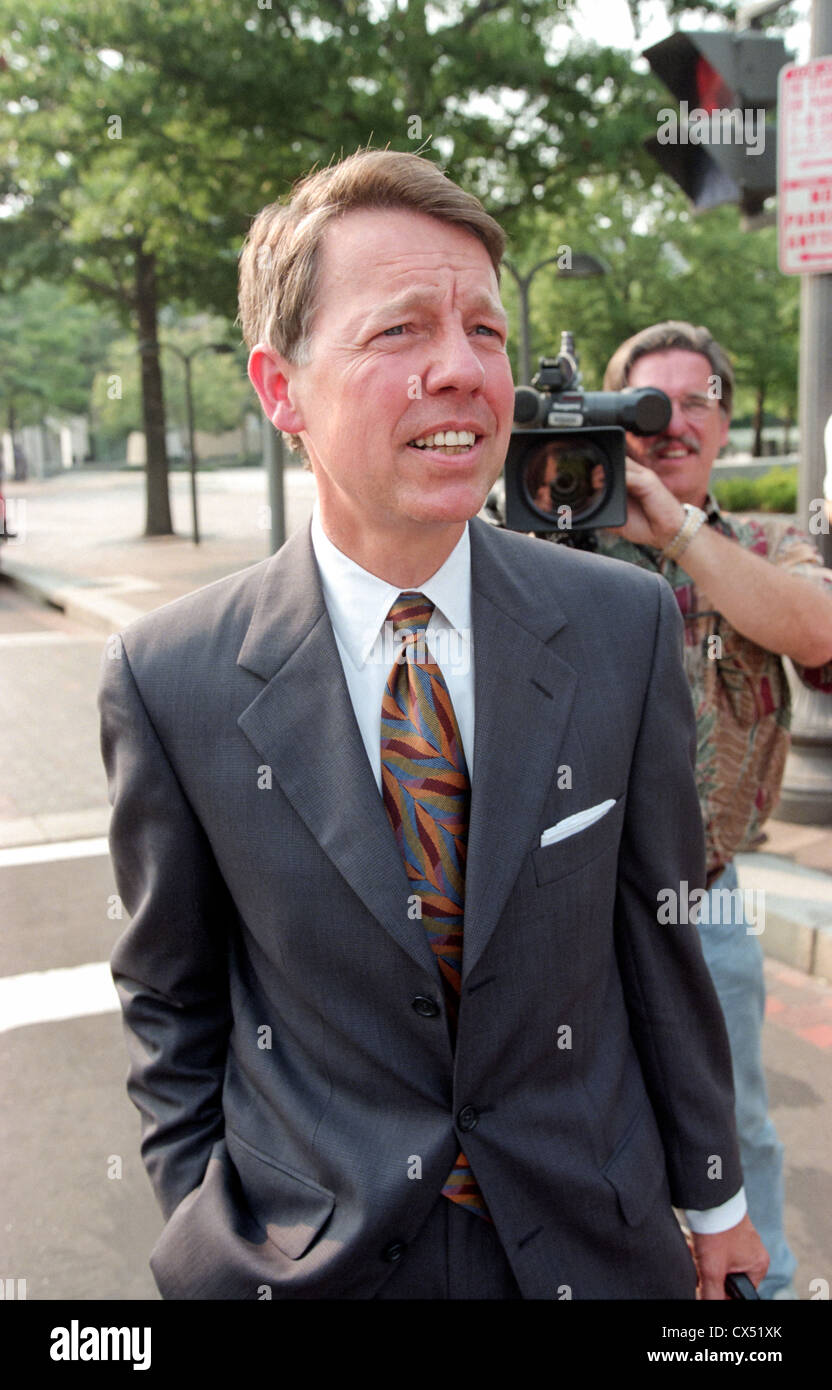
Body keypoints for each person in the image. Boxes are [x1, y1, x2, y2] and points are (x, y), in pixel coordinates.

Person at [99, 152, 766, 1300]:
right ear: (280, 389)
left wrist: (715, 1200)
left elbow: (659, 941)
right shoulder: (173, 679)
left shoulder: (620, 625)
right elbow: (175, 1000)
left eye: (484, 331)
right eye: (400, 331)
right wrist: (212, 1226)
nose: (460, 370)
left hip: (596, 1250)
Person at [596, 321, 832, 1299]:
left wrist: (679, 532)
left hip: (706, 897)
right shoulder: (559, 532)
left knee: (731, 1121)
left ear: (725, 421)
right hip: (562, 905)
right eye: (648, 404)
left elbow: (810, 624)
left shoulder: (768, 546)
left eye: (697, 401)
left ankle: (754, 1305)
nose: (673, 422)